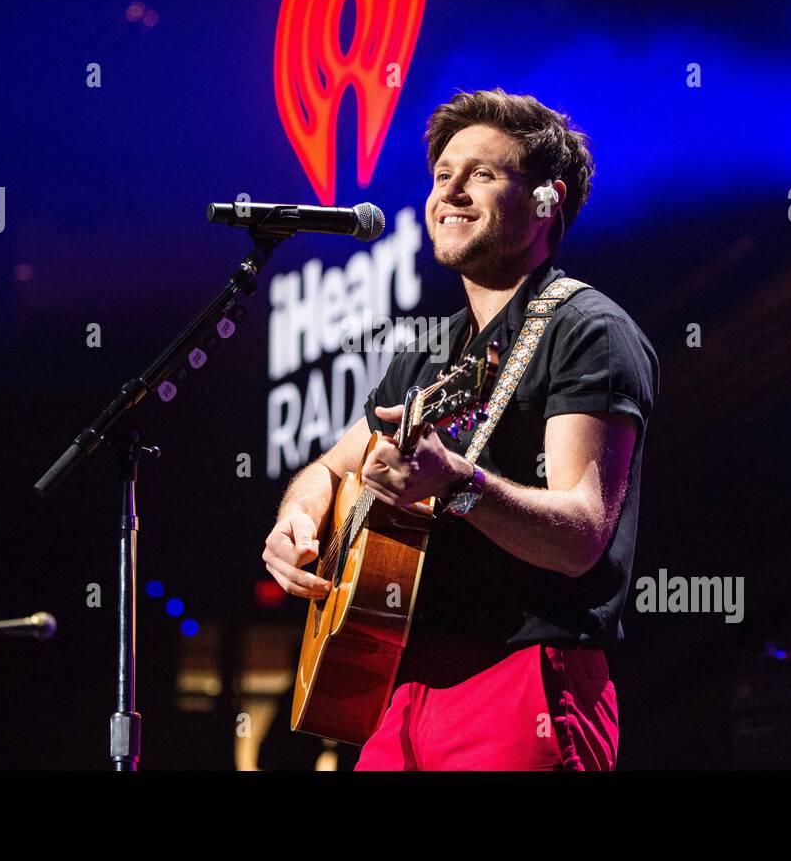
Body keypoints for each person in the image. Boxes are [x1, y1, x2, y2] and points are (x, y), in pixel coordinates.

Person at [262, 88, 659, 770]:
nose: (450, 192)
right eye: (443, 174)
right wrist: (295, 518)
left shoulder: (587, 330)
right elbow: (330, 467)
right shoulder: (428, 353)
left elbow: (581, 536)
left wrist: (456, 483)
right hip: (400, 689)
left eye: (482, 173)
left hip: (521, 675)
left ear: (547, 200)